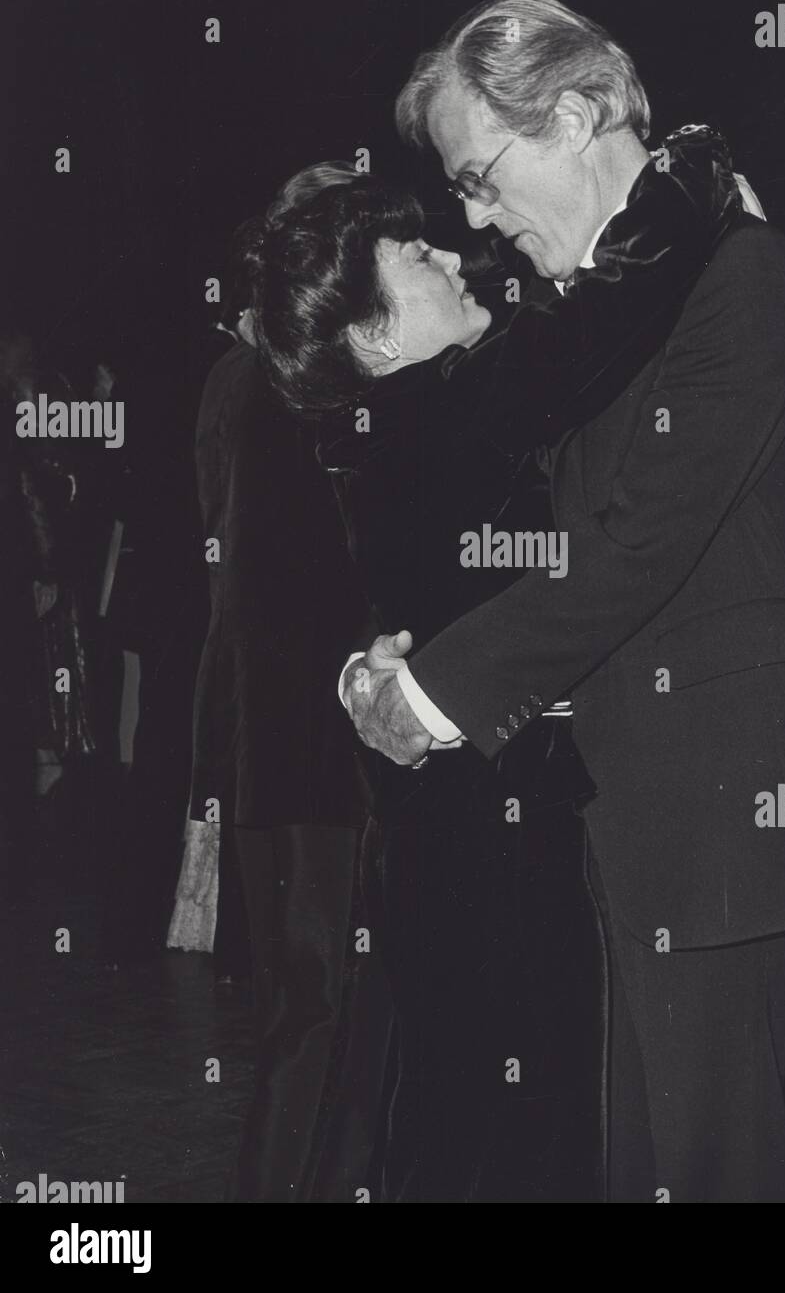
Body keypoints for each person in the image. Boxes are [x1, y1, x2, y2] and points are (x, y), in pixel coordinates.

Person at [342, 0, 785, 1202]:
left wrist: (434, 695)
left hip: (724, 810)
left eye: (478, 178)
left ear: (576, 114)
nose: (473, 218)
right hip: (636, 814)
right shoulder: (600, 317)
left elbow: (639, 546)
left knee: (711, 1171)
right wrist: (386, 653)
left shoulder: (746, 276)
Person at [254, 132, 741, 1200]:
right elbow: (601, 319)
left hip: (448, 811)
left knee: (454, 1096)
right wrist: (687, 181)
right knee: (511, 1106)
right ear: (373, 335)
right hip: (490, 823)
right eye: (417, 262)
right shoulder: (442, 407)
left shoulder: (377, 426)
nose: (455, 259)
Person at [186, 165, 376, 1201]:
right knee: (315, 1006)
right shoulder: (292, 387)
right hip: (308, 737)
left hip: (266, 732)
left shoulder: (243, 378)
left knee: (302, 1006)